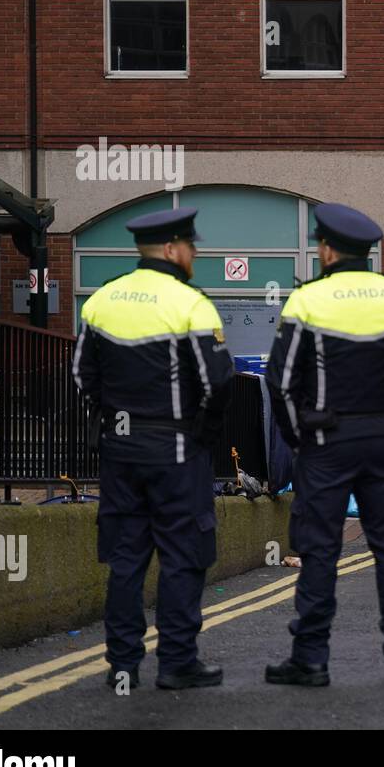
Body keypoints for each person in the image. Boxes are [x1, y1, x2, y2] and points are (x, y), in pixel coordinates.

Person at [264, 203, 384, 687]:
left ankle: (311, 660)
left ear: (326, 248)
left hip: (324, 441)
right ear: (367, 252)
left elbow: (279, 384)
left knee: (320, 550)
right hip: (383, 439)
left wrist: (299, 438)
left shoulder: (306, 301)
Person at [73, 207, 234, 691]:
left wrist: (115, 421)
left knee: (126, 558)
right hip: (177, 449)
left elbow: (83, 377)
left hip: (120, 451)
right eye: (191, 246)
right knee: (183, 554)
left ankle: (122, 664)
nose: (195, 254)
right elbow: (219, 384)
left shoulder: (101, 300)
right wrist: (200, 437)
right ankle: (177, 662)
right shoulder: (191, 303)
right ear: (170, 249)